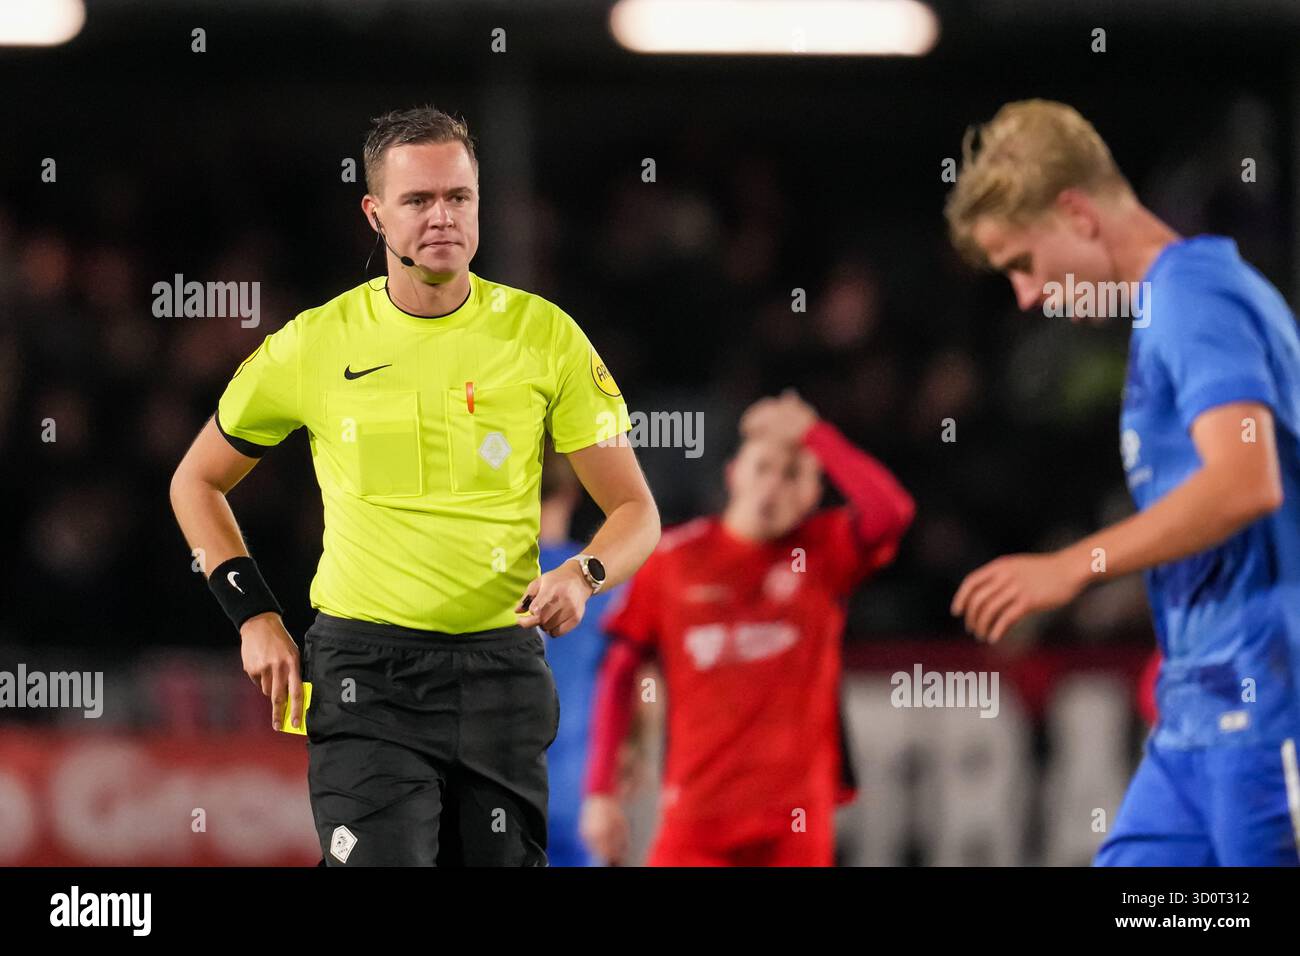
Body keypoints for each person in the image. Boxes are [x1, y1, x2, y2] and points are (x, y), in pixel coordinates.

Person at [169, 106, 660, 866]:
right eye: (418, 200)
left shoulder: (545, 337)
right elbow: (196, 481)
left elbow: (635, 511)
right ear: (374, 212)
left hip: (502, 673)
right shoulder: (314, 343)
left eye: (458, 198)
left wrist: (584, 573)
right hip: (367, 677)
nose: (443, 218)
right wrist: (254, 617)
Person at [945, 99, 1300, 865]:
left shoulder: (1193, 296)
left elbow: (1247, 483)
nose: (1026, 295)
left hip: (1269, 703)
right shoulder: (1166, 311)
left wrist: (1075, 567)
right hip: (1199, 713)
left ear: (1076, 213)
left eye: (1021, 263)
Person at [580, 390, 915, 866]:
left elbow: (890, 512)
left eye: (792, 474)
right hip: (695, 821)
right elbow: (619, 671)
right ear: (734, 474)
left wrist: (813, 434)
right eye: (763, 469)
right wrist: (600, 791)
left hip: (794, 825)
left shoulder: (823, 552)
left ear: (813, 494)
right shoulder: (673, 561)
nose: (773, 487)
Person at [535, 444, 621, 866]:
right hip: (578, 800)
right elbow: (641, 687)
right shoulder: (608, 588)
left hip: (490, 796)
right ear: (572, 493)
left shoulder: (477, 581)